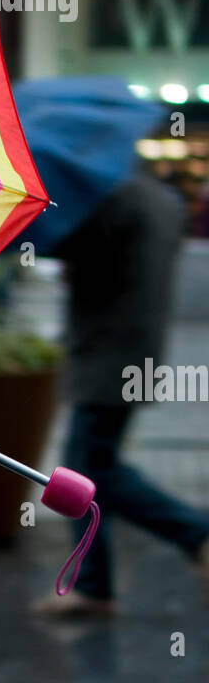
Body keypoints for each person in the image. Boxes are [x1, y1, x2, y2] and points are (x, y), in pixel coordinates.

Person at [32, 169, 209, 615]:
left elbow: (74, 250)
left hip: (109, 353)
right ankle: (96, 582)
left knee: (85, 474)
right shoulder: (159, 199)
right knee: (93, 466)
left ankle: (193, 534)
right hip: (132, 349)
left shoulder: (112, 200)